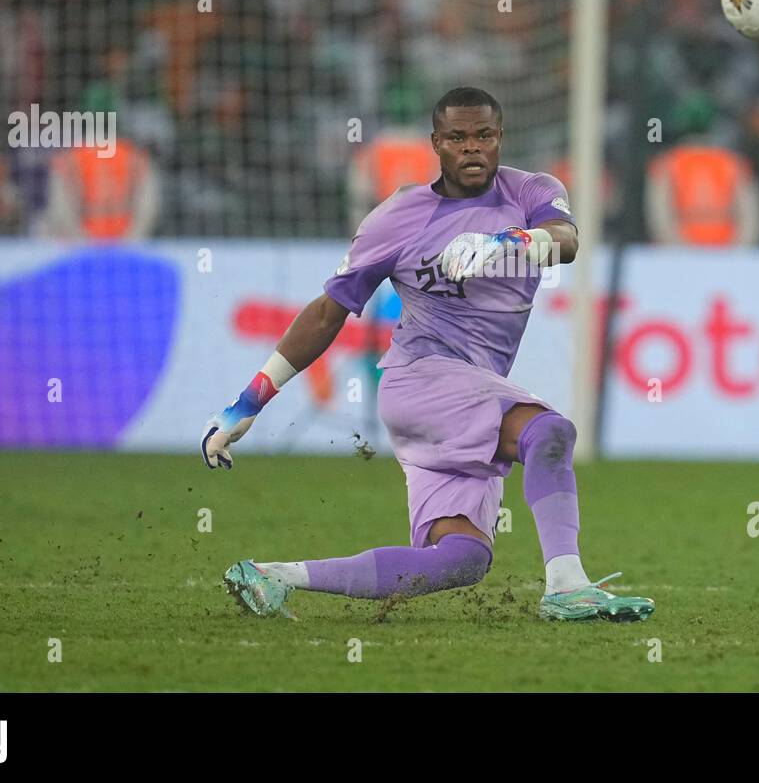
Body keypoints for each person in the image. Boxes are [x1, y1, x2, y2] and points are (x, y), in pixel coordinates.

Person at [201, 87, 654, 623]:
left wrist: (507, 243)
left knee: (462, 560)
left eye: (484, 136)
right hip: (419, 380)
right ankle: (566, 585)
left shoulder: (532, 192)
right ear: (436, 143)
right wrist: (247, 403)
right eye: (458, 137)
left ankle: (275, 575)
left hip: (462, 397)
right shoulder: (399, 217)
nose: (473, 148)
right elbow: (328, 312)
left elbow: (567, 241)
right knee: (549, 432)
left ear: (499, 138)